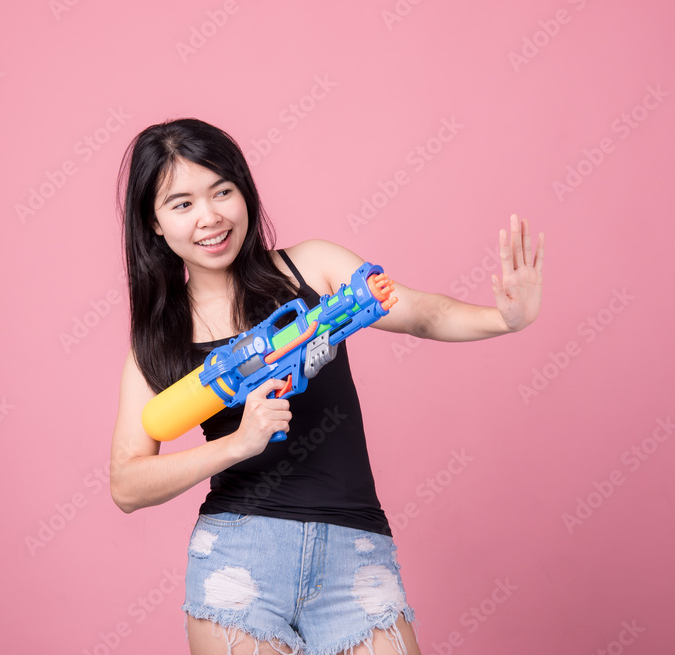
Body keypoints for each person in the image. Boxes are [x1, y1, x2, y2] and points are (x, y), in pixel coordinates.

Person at [109, 118, 544, 655]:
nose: (210, 217)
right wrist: (238, 444)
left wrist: (504, 320)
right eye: (182, 204)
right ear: (153, 223)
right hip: (239, 561)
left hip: (355, 550)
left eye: (222, 191)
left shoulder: (311, 268)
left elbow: (419, 314)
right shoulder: (158, 341)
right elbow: (127, 485)